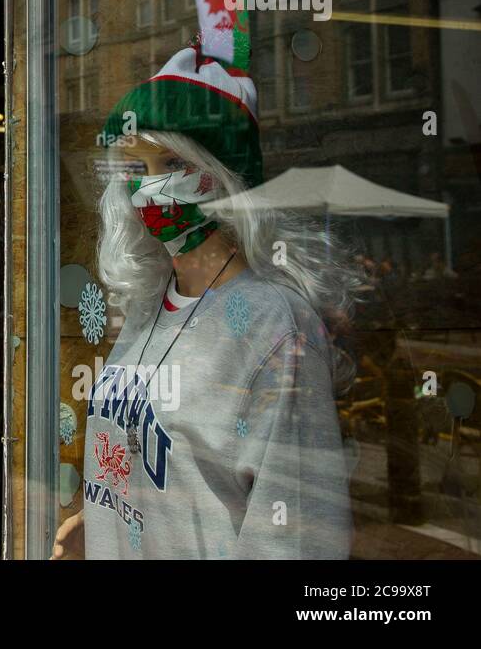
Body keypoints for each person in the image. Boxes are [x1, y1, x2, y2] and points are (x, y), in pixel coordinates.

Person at [53, 41, 356, 561]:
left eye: (170, 161)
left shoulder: (274, 325)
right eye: (134, 166)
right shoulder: (150, 303)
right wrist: (99, 523)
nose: (149, 188)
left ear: (221, 172)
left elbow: (296, 540)